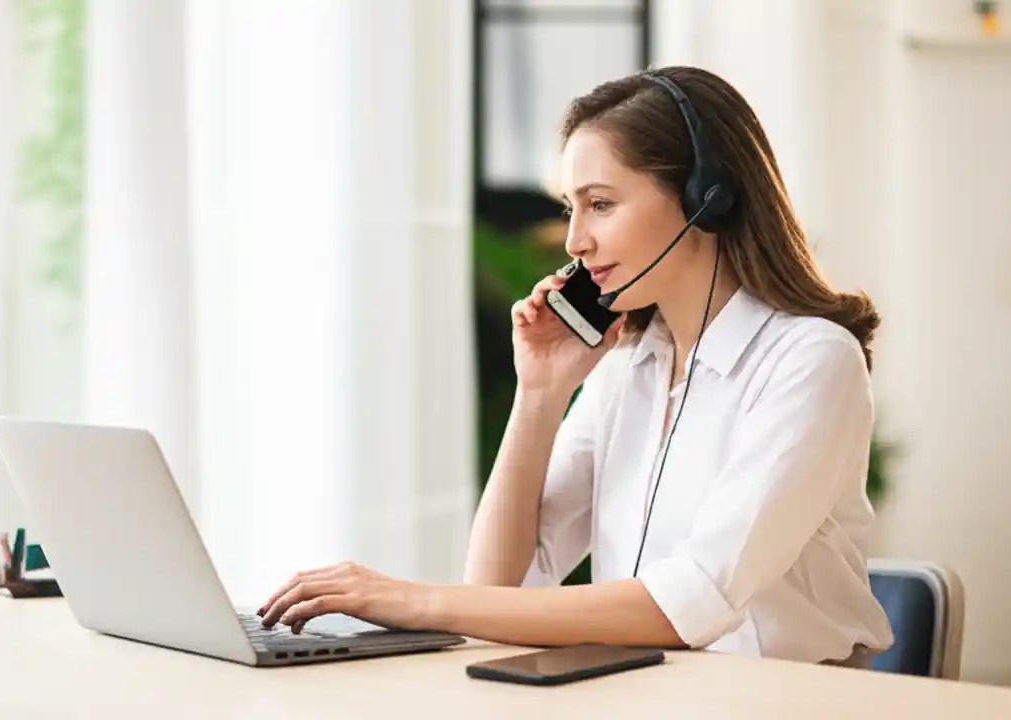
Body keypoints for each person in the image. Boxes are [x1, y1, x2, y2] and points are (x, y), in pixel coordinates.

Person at [256, 66, 894, 666]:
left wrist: (412, 600)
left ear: (707, 200)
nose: (574, 241)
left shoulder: (810, 361)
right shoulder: (628, 365)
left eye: (601, 204)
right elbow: (497, 588)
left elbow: (692, 601)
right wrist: (540, 393)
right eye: (572, 207)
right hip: (648, 694)